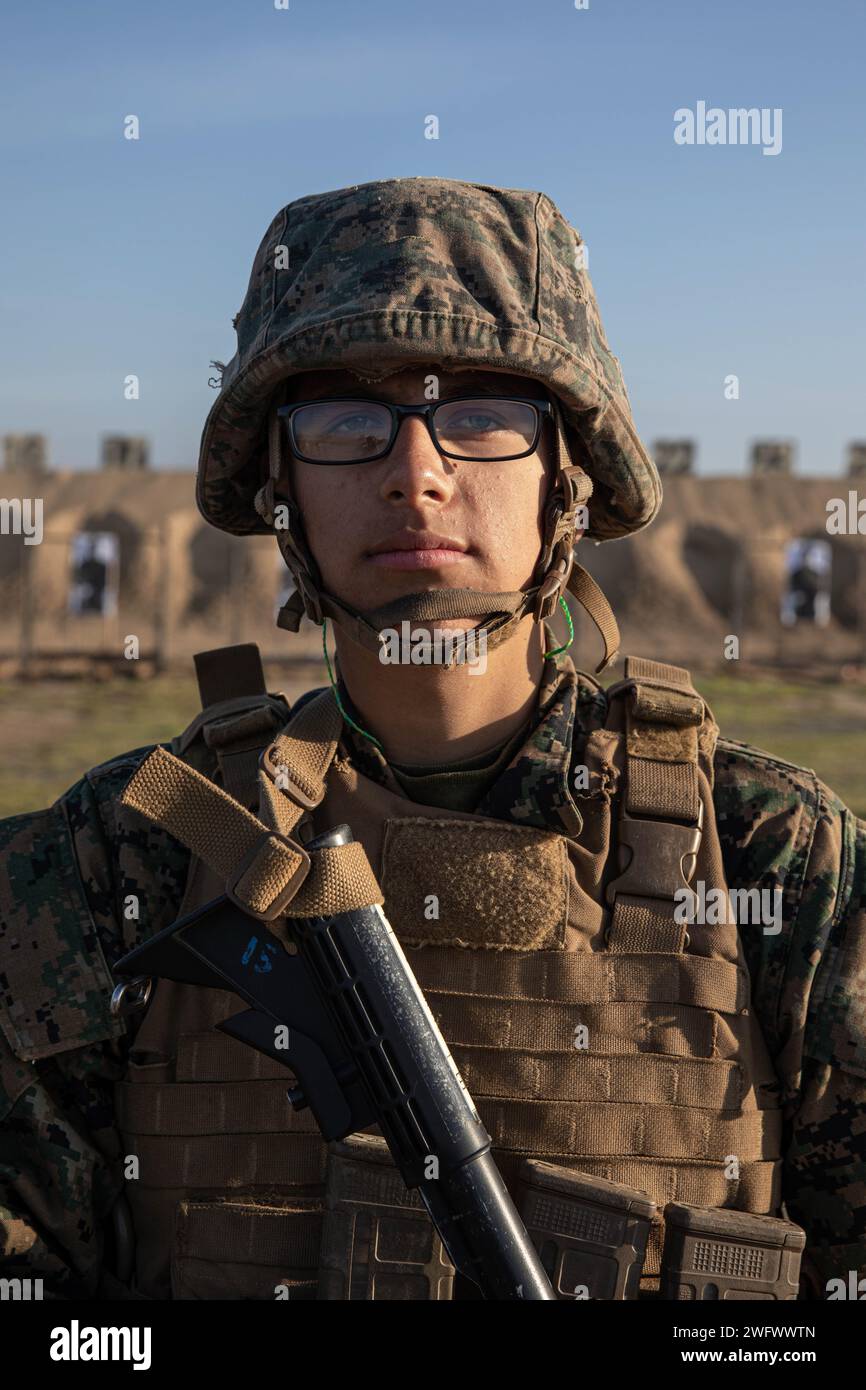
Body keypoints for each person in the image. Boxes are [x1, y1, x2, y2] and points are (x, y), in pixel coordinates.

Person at [1, 177, 863, 1301]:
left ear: (568, 474)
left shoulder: (777, 863)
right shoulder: (115, 862)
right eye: (348, 424)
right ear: (279, 486)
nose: (416, 472)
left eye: (482, 416)